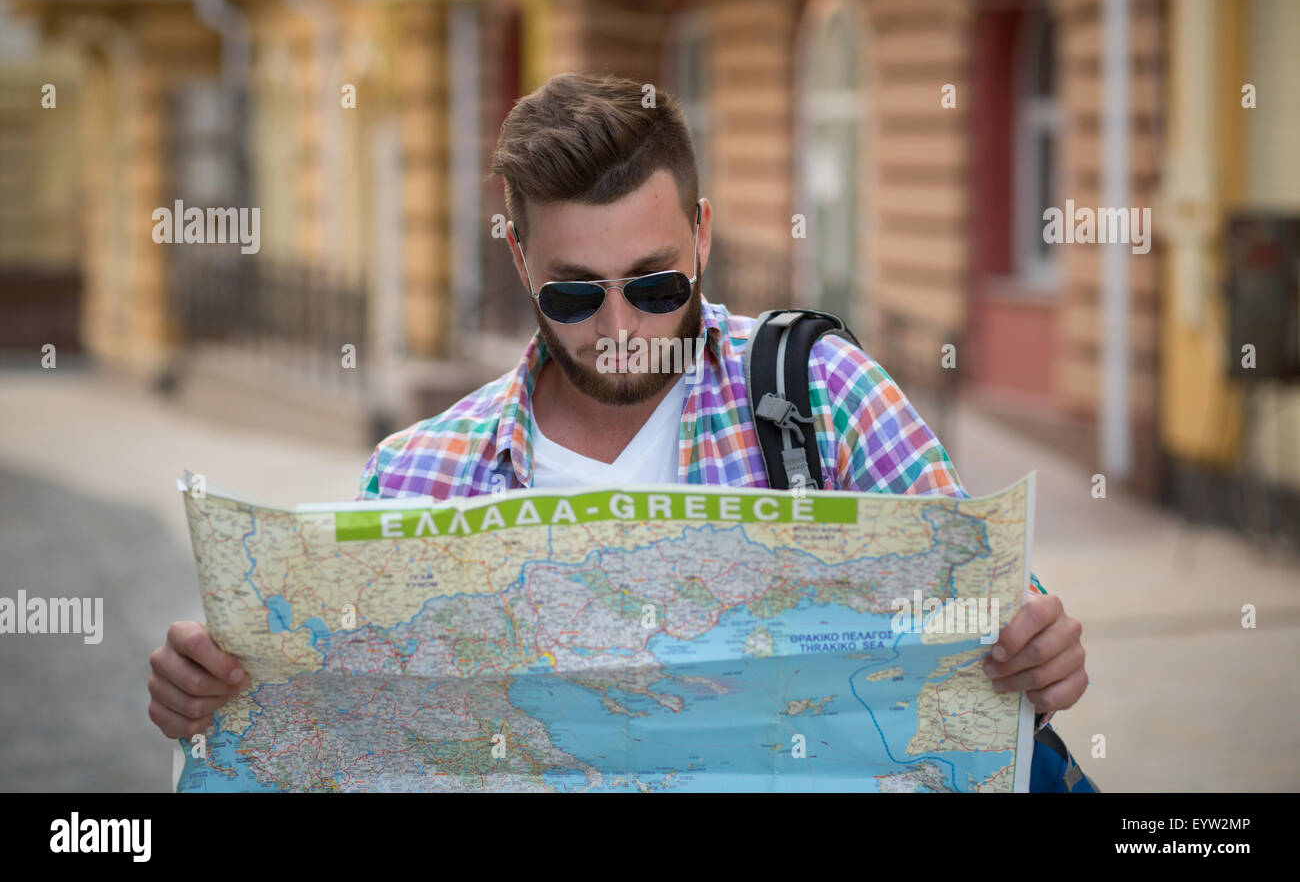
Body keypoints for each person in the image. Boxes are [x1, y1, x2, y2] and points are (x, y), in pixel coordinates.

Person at [148, 72, 1087, 763]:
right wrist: (221, 700)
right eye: (573, 295)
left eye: (656, 282)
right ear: (519, 259)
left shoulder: (822, 396)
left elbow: (992, 614)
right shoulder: (417, 474)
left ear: (704, 233)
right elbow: (355, 740)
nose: (620, 326)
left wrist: (1038, 653)